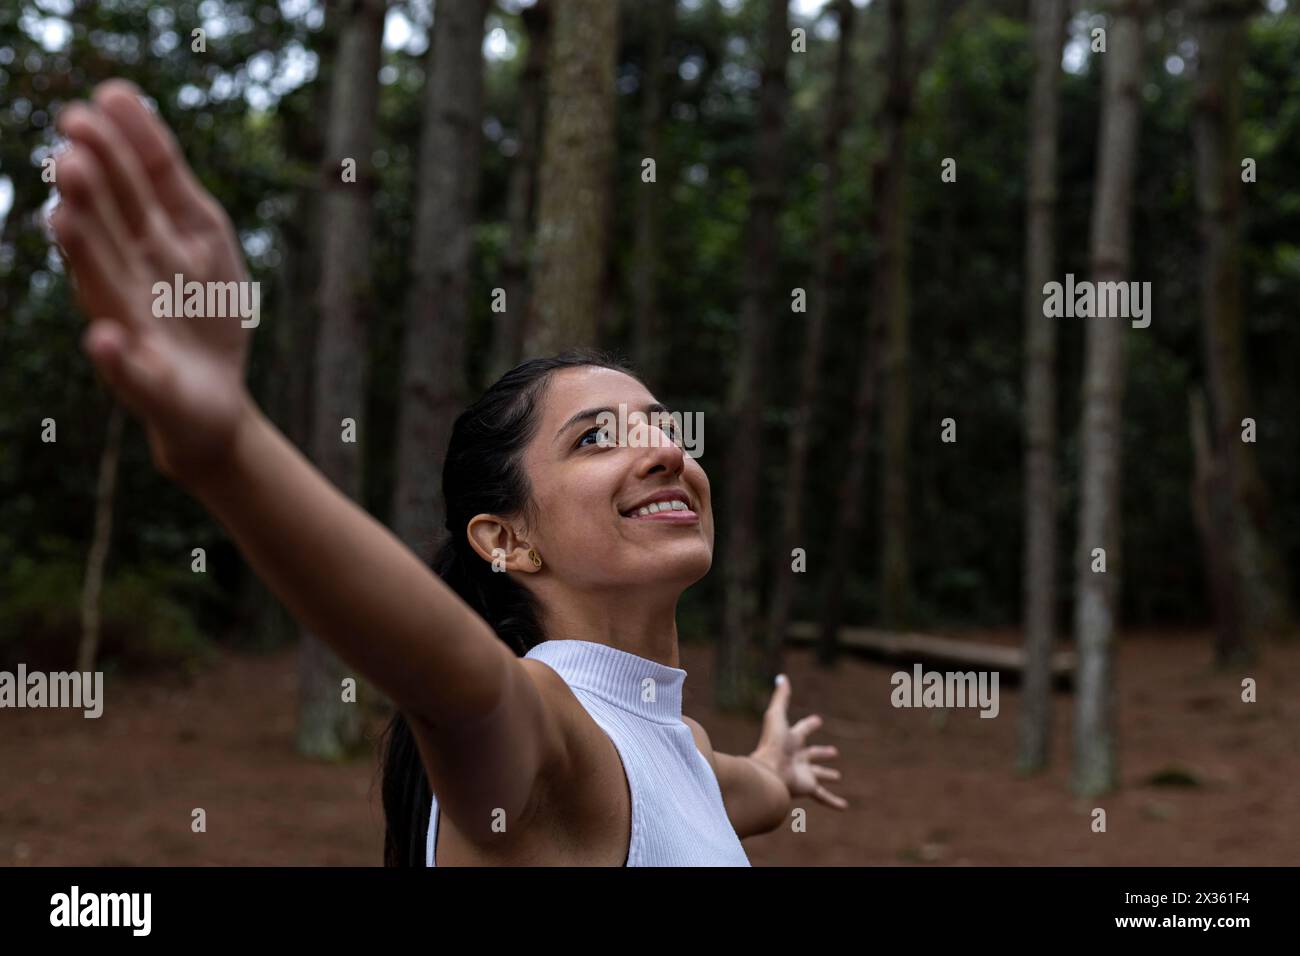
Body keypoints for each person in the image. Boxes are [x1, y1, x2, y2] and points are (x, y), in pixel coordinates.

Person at [47, 79, 847, 866]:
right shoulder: (548, 738)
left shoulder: (678, 746)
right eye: (597, 439)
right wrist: (226, 448)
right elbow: (447, 677)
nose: (667, 451)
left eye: (664, 429)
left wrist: (781, 768)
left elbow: (750, 791)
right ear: (507, 540)